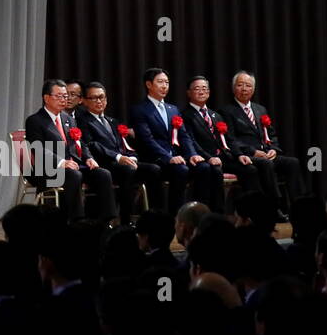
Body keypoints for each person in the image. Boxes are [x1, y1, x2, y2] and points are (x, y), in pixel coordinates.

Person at [24, 79, 116, 222]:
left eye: (65, 96)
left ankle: (105, 220)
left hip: (73, 166)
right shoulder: (35, 120)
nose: (64, 100)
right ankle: (75, 220)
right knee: (74, 175)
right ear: (46, 98)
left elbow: (80, 143)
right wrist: (62, 162)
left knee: (103, 174)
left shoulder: (68, 119)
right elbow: (38, 149)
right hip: (48, 169)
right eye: (59, 96)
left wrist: (88, 158)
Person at [216, 71, 302, 219]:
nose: (244, 89)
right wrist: (253, 151)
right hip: (247, 156)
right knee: (265, 164)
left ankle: (298, 207)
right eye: (240, 85)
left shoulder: (260, 109)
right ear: (233, 88)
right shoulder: (226, 111)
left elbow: (271, 134)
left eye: (248, 85)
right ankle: (275, 207)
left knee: (292, 163)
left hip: (267, 153)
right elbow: (230, 139)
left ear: (253, 89)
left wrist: (273, 149)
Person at [75, 80, 163, 219]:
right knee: (127, 170)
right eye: (94, 98)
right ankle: (125, 218)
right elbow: (92, 145)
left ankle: (154, 216)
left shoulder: (112, 121)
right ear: (85, 101)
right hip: (104, 163)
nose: (99, 101)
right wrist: (118, 157)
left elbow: (125, 145)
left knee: (154, 169)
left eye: (102, 97)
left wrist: (131, 157)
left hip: (122, 161)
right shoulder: (82, 121)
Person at [128, 68, 209, 215]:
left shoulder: (173, 109)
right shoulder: (139, 109)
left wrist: (191, 154)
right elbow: (147, 140)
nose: (164, 86)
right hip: (156, 158)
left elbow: (184, 136)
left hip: (177, 156)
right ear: (148, 84)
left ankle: (198, 215)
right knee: (181, 170)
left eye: (167, 82)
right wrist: (168, 157)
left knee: (203, 167)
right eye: (160, 82)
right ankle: (175, 215)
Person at [178, 77, 229, 211]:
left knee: (249, 168)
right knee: (211, 170)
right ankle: (207, 213)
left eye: (204, 88)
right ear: (188, 93)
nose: (201, 92)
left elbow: (225, 140)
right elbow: (190, 141)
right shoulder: (185, 115)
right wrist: (208, 157)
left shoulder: (215, 115)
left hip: (219, 158)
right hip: (200, 158)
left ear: (209, 92)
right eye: (197, 89)